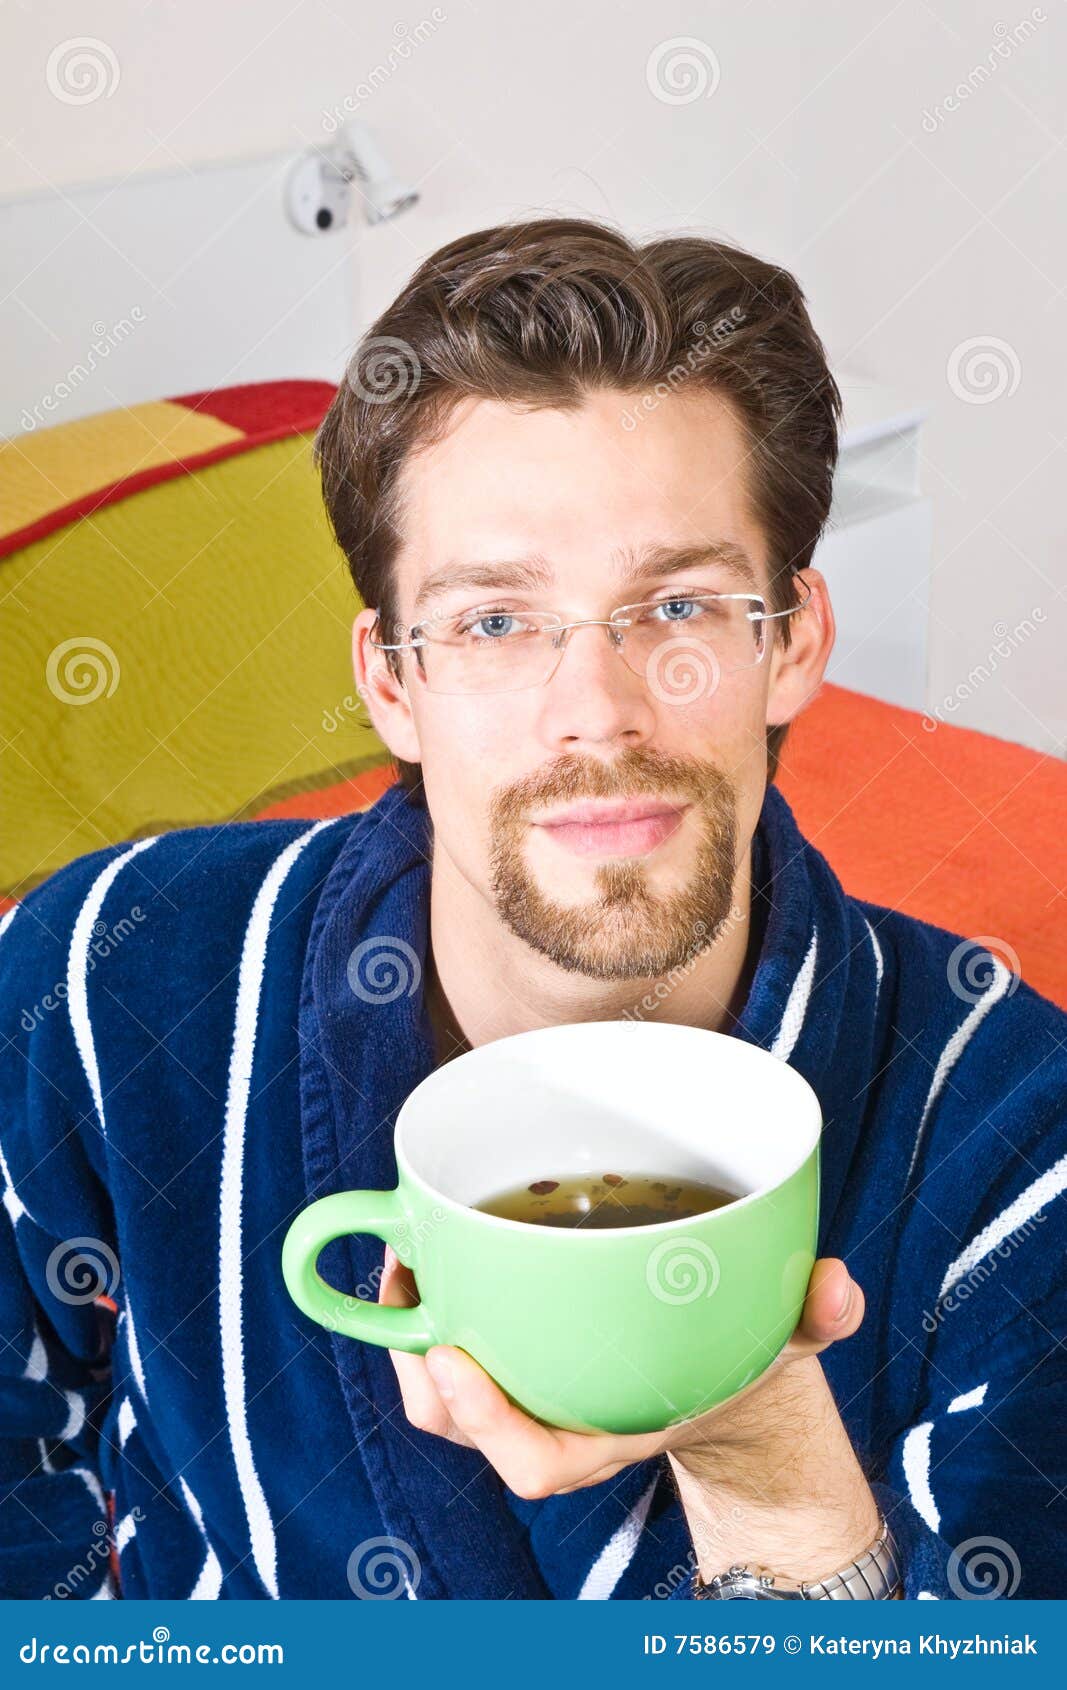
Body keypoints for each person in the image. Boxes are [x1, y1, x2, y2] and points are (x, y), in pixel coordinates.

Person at [1, 218, 1064, 1602]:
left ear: (792, 639)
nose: (597, 714)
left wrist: (777, 1478)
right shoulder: (106, 982)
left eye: (676, 605)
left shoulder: (1019, 1145)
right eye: (495, 622)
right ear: (391, 681)